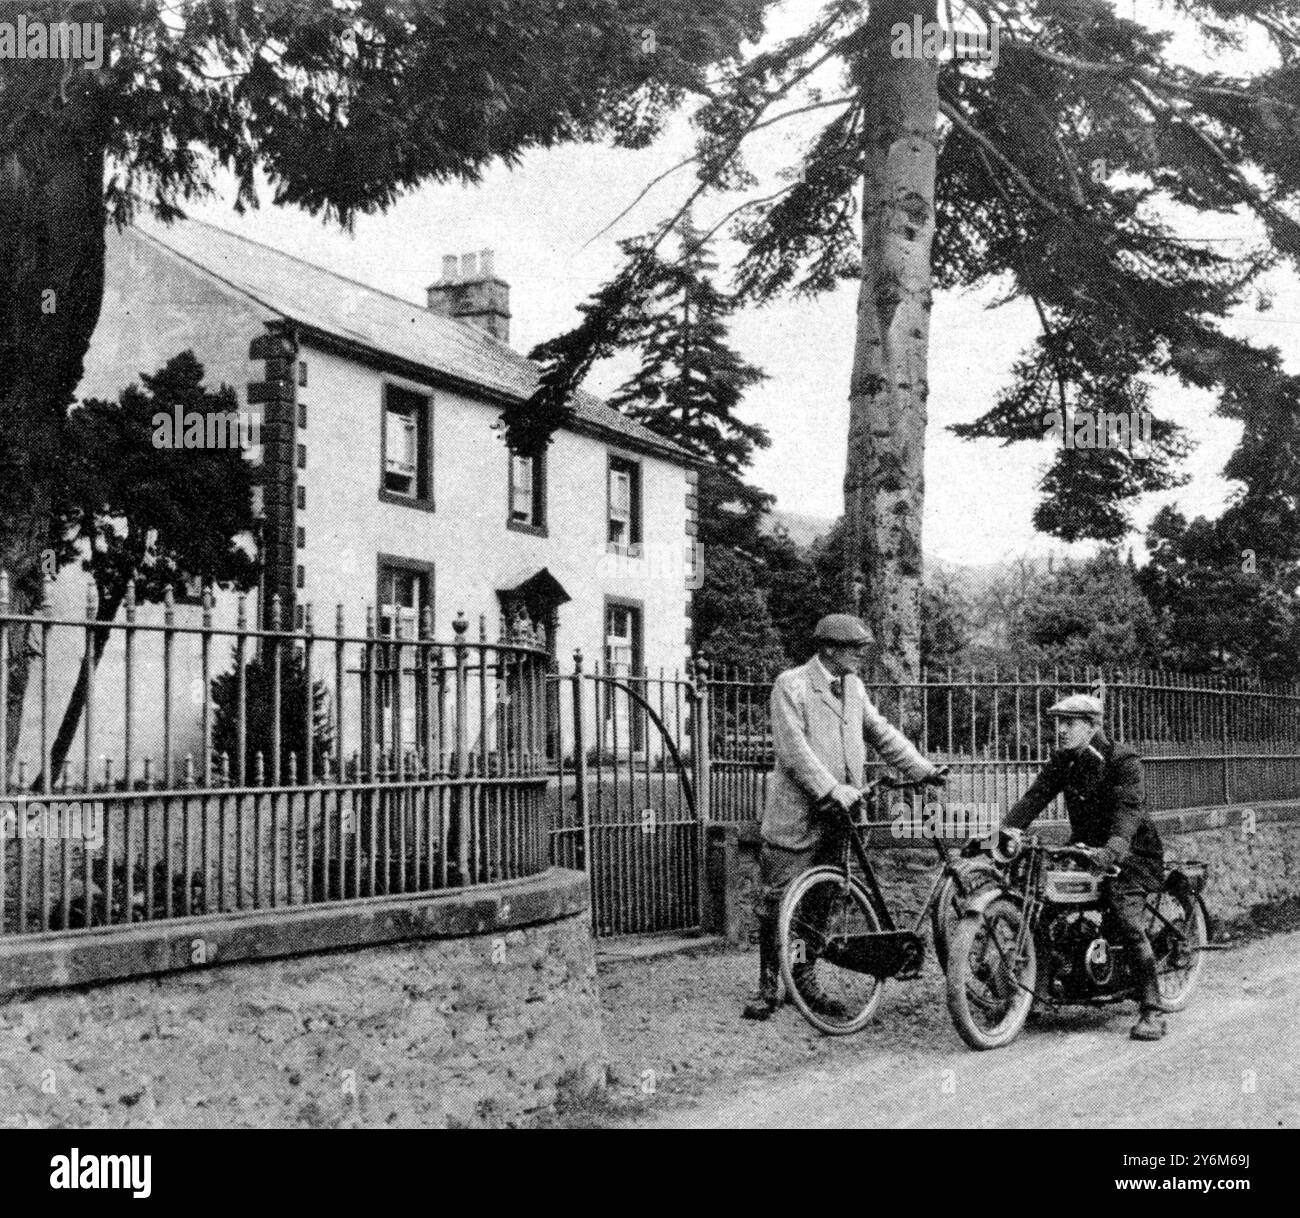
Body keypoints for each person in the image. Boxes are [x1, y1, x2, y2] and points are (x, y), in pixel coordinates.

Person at [743, 613, 944, 1021]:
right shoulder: (791, 685)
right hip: (797, 816)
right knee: (777, 901)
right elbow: (794, 752)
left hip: (843, 818)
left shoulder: (854, 686)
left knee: (821, 903)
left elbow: (881, 732)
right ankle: (768, 985)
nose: (860, 655)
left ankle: (802, 976)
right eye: (854, 648)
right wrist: (832, 788)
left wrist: (922, 769)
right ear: (828, 648)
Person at [998, 694, 1169, 1040]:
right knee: (1041, 901)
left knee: (1125, 917)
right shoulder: (1063, 760)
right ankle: (1038, 993)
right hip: (1085, 850)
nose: (1061, 730)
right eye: (1058, 723)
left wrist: (1113, 850)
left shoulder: (1122, 759)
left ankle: (1152, 1009)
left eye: (1069, 723)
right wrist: (999, 836)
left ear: (1092, 726)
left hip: (1132, 854)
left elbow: (1128, 810)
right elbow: (1034, 798)